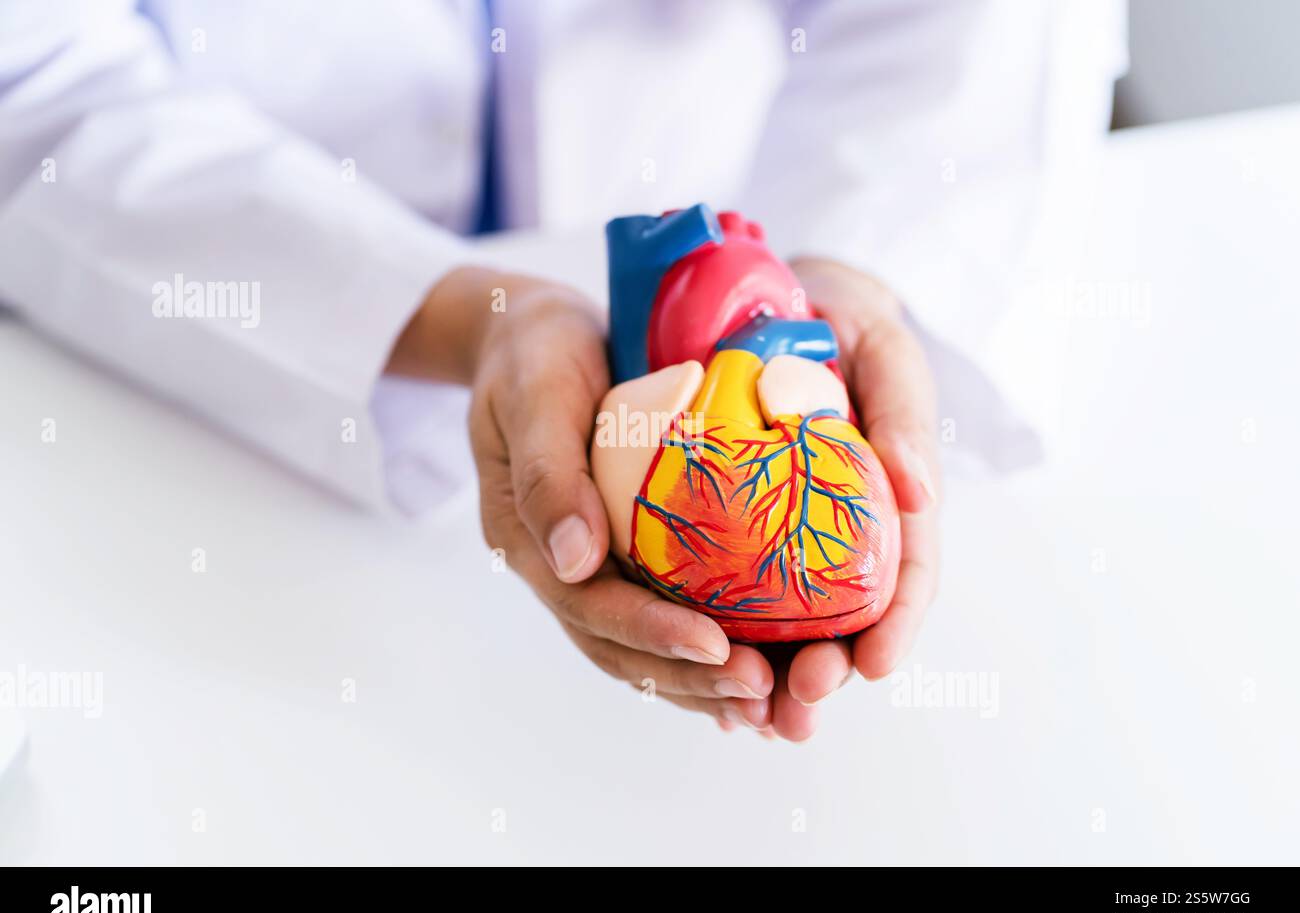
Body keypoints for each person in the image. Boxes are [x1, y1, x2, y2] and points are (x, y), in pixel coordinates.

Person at [0, 1, 1127, 740]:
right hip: (210, 349)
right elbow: (32, 84)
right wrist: (460, 317)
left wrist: (851, 271)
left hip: (741, 169)